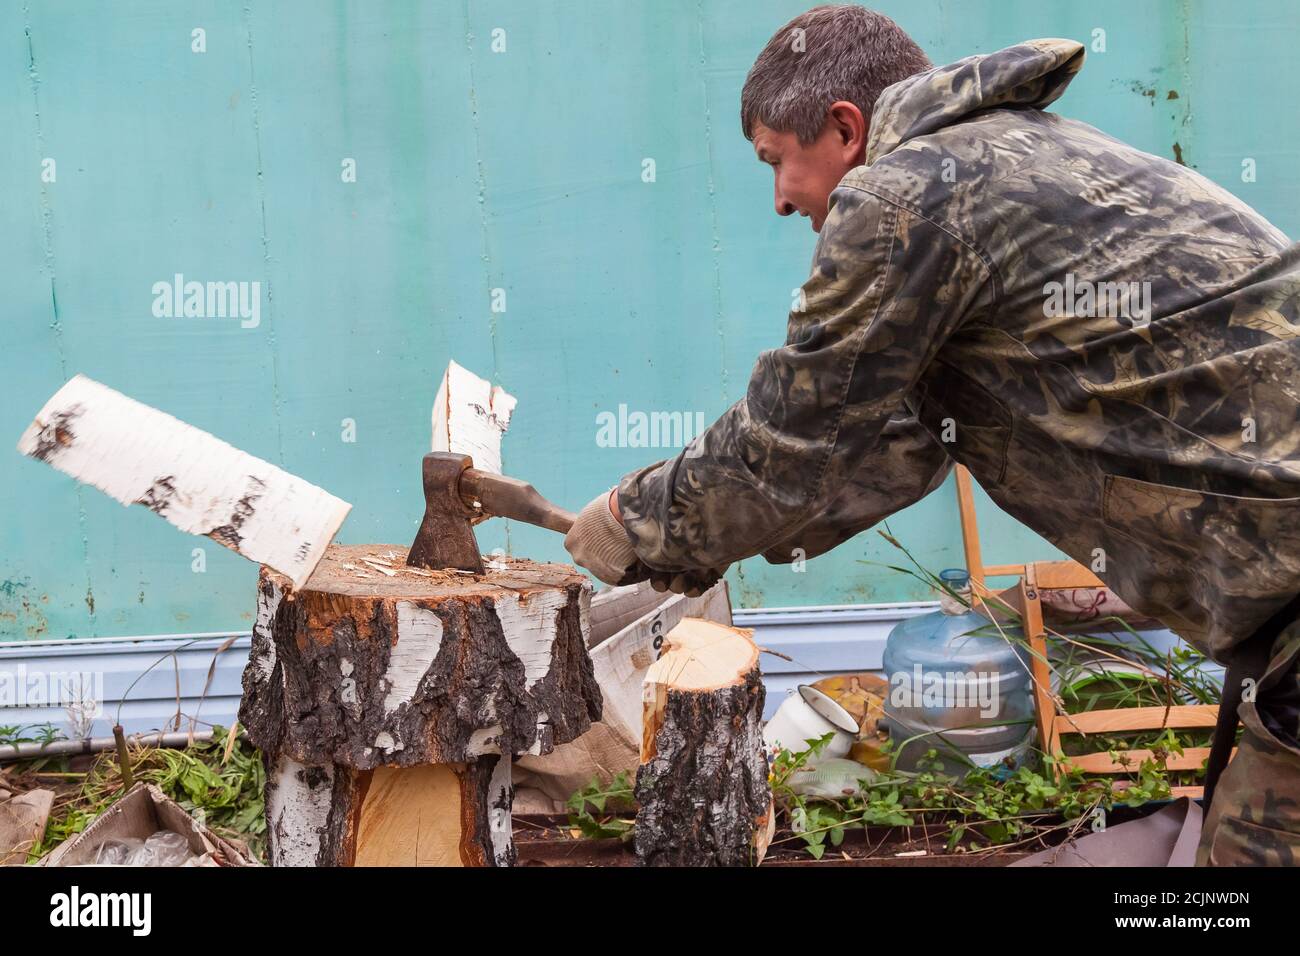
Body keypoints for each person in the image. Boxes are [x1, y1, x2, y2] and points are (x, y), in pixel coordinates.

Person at [563, 4, 1300, 865]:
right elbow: (891, 445)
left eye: (777, 164)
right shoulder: (1022, 154)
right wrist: (690, 546)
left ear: (844, 128)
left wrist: (635, 517)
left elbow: (791, 435)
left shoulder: (906, 194)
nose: (778, 201)